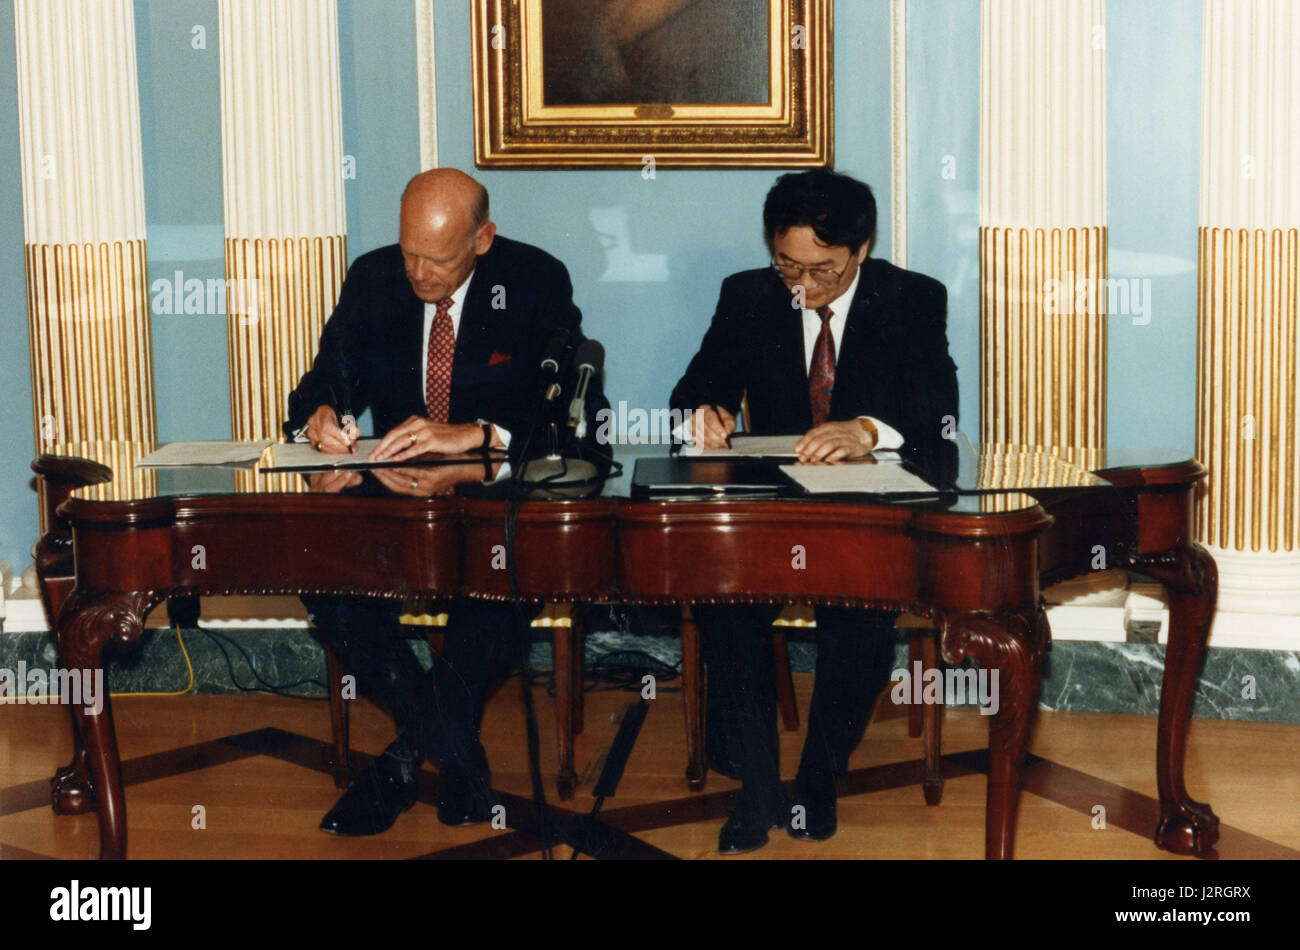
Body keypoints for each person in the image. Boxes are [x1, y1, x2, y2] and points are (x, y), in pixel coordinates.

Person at [283, 168, 608, 836]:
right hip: (398, 503)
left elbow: (577, 415)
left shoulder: (535, 281)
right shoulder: (376, 278)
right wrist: (320, 412)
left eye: (438, 258)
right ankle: (456, 751)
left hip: (493, 503)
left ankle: (408, 758)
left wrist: (482, 433)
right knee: (328, 586)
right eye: (409, 253)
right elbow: (325, 374)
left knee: (498, 595)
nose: (419, 273)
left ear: (482, 239)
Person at [669, 169, 959, 854]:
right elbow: (692, 388)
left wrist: (865, 429)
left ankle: (820, 779)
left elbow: (938, 417)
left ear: (861, 251)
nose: (802, 286)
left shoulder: (911, 298)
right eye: (788, 266)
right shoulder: (748, 296)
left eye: (823, 271)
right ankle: (758, 787)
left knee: (858, 614)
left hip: (865, 516)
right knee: (722, 600)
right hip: (771, 515)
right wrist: (701, 416)